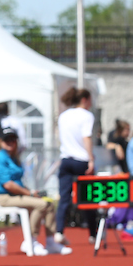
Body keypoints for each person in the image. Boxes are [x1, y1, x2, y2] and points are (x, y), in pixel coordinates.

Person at [0, 128, 64, 256]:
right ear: (1, 142)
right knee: (41, 205)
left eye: (13, 139)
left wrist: (32, 192)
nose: (10, 142)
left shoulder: (13, 157)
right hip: (2, 197)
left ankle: (50, 242)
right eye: (7, 140)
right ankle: (31, 241)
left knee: (50, 204)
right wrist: (29, 194)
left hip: (15, 195)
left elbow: (17, 182)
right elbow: (8, 185)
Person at [54, 87, 93, 242]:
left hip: (66, 159)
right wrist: (91, 159)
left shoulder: (63, 116)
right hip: (81, 160)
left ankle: (59, 232)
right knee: (88, 198)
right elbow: (86, 137)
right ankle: (93, 233)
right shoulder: (87, 116)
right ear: (84, 100)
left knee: (64, 198)